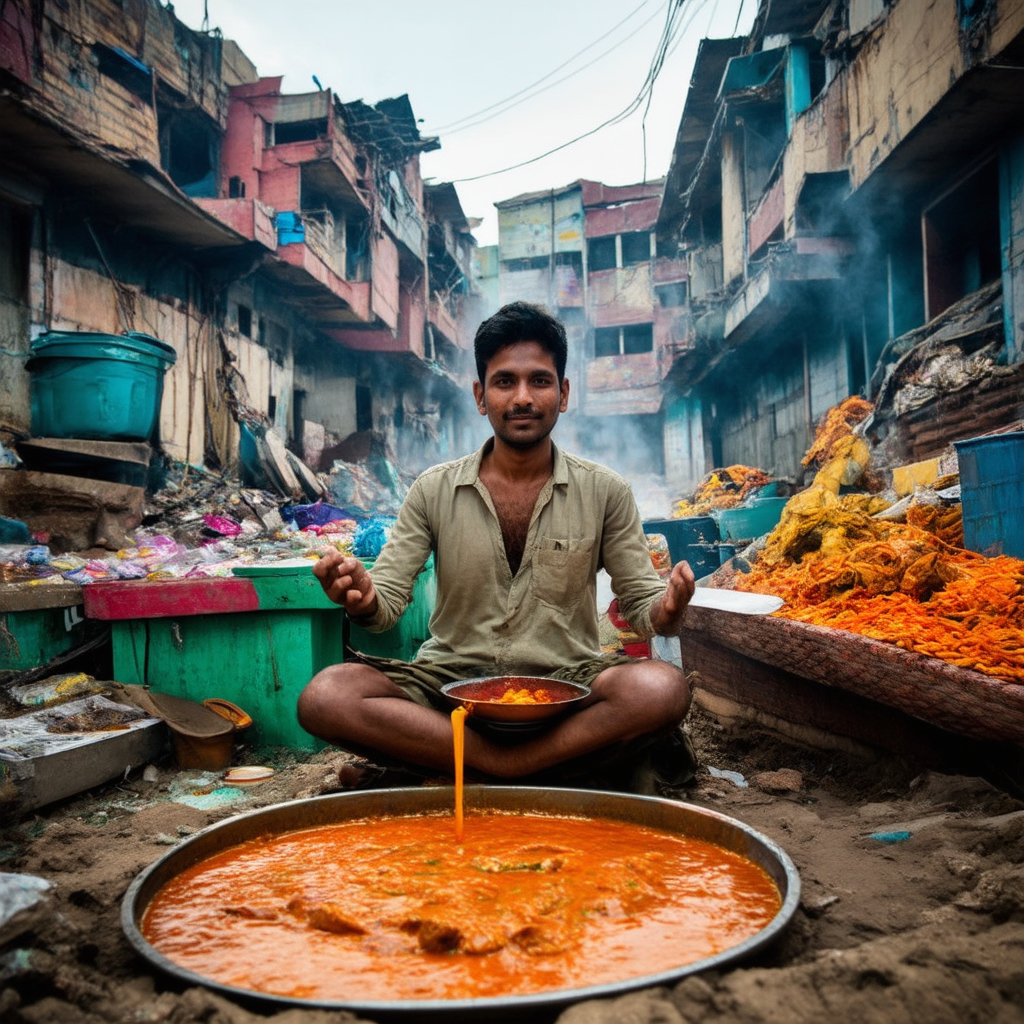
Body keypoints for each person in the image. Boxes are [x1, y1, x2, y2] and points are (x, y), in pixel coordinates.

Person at [299, 301, 696, 791]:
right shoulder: (433, 489)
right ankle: (522, 770)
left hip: (568, 688)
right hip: (448, 691)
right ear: (481, 396)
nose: (523, 397)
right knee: (326, 696)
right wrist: (360, 596)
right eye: (505, 381)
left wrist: (667, 610)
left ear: (564, 393)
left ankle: (463, 772)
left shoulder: (605, 490)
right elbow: (386, 606)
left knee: (661, 688)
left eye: (540, 381)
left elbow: (640, 604)